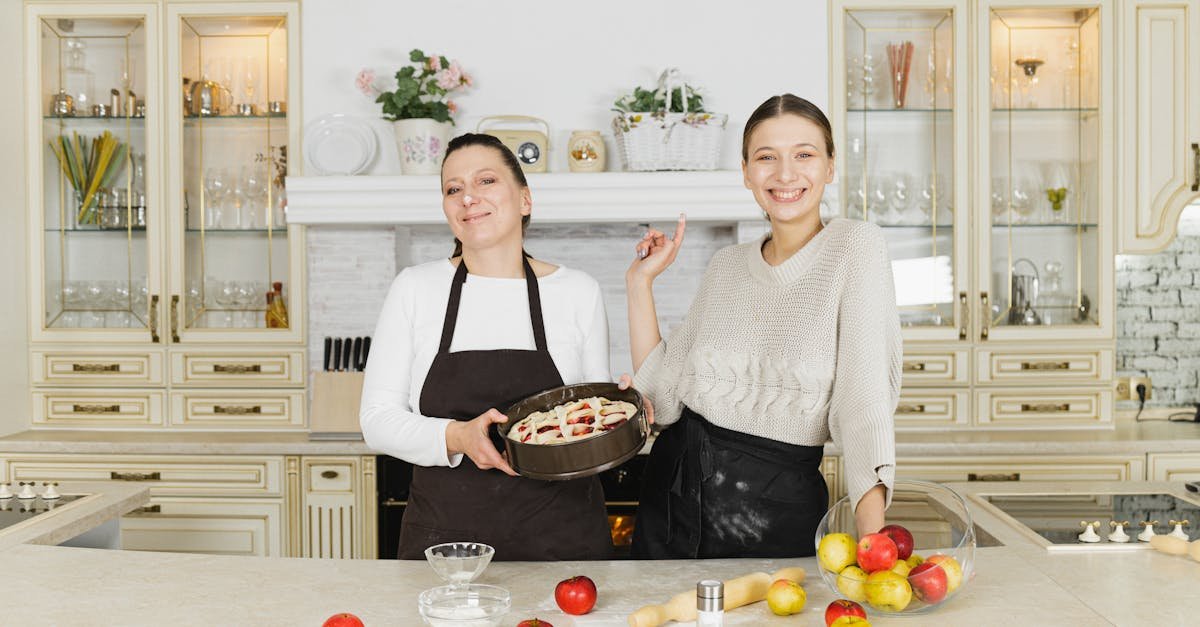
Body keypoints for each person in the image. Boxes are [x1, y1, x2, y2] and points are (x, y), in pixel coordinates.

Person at [626, 94, 901, 559]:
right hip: (670, 504)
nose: (786, 174)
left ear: (830, 166)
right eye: (766, 157)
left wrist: (875, 549)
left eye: (805, 155)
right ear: (747, 172)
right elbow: (663, 397)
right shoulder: (725, 265)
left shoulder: (856, 248)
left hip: (774, 512)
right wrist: (640, 283)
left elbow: (864, 404)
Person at [360, 133, 613, 561]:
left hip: (563, 541)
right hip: (447, 546)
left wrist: (622, 417)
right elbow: (376, 421)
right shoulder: (416, 288)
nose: (468, 198)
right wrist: (458, 436)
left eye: (486, 181)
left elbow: (589, 429)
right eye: (453, 189)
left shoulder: (576, 292)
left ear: (526, 199)